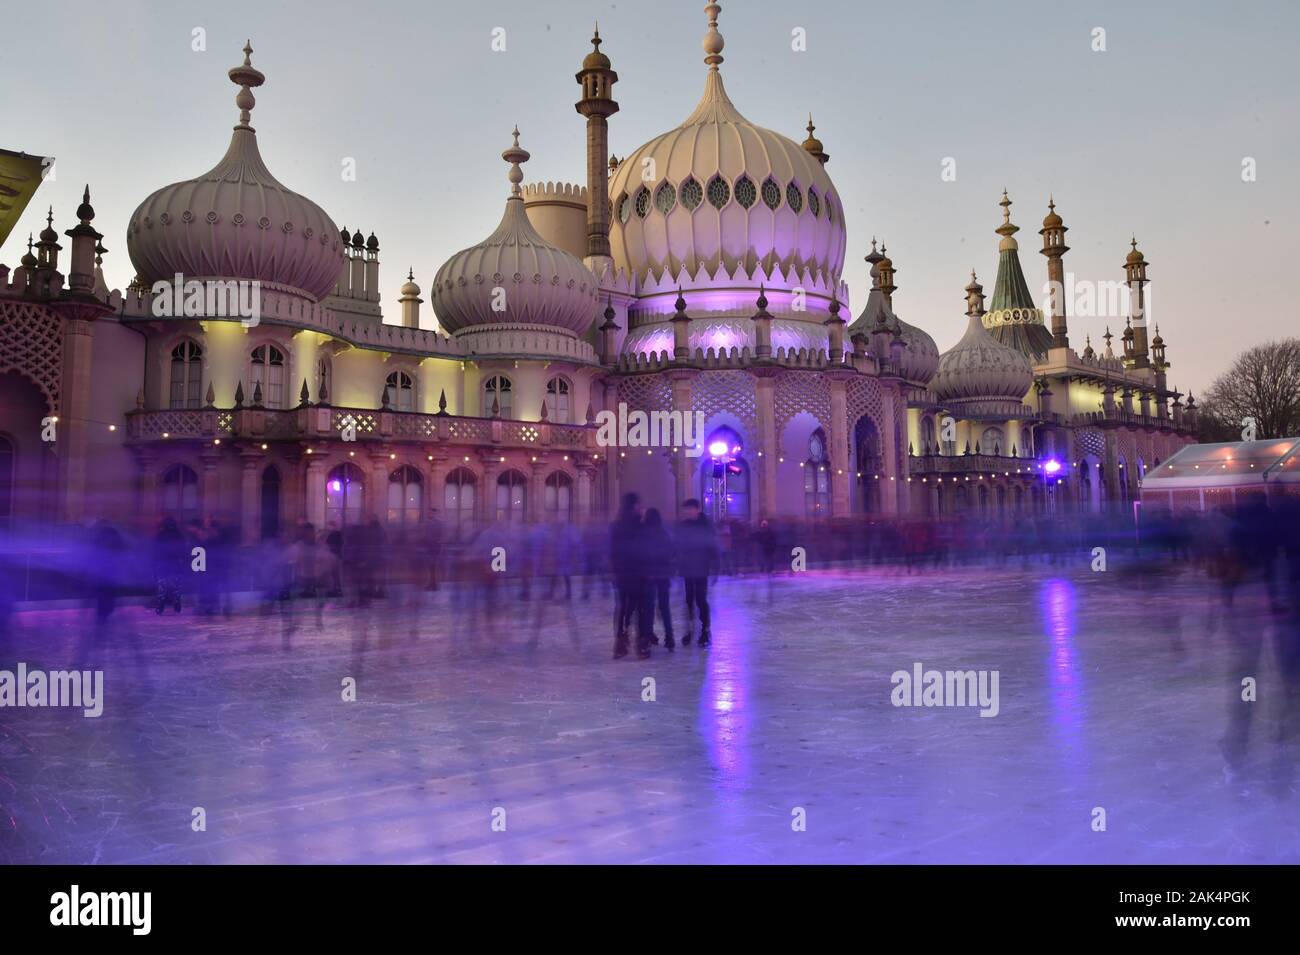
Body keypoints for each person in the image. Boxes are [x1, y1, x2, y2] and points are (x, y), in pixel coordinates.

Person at [677, 498, 718, 646]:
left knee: (700, 600)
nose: (687, 512)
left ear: (697, 509)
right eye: (685, 510)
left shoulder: (706, 525)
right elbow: (678, 546)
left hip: (701, 568)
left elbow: (713, 547)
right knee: (689, 600)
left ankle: (705, 630)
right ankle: (689, 630)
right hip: (687, 568)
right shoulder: (683, 526)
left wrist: (716, 567)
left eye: (690, 509)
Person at [643, 508, 676, 650]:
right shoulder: (665, 534)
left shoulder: (645, 534)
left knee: (649, 607)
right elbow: (672, 553)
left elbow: (643, 554)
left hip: (650, 575)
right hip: (663, 574)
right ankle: (670, 637)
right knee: (664, 607)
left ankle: (649, 634)